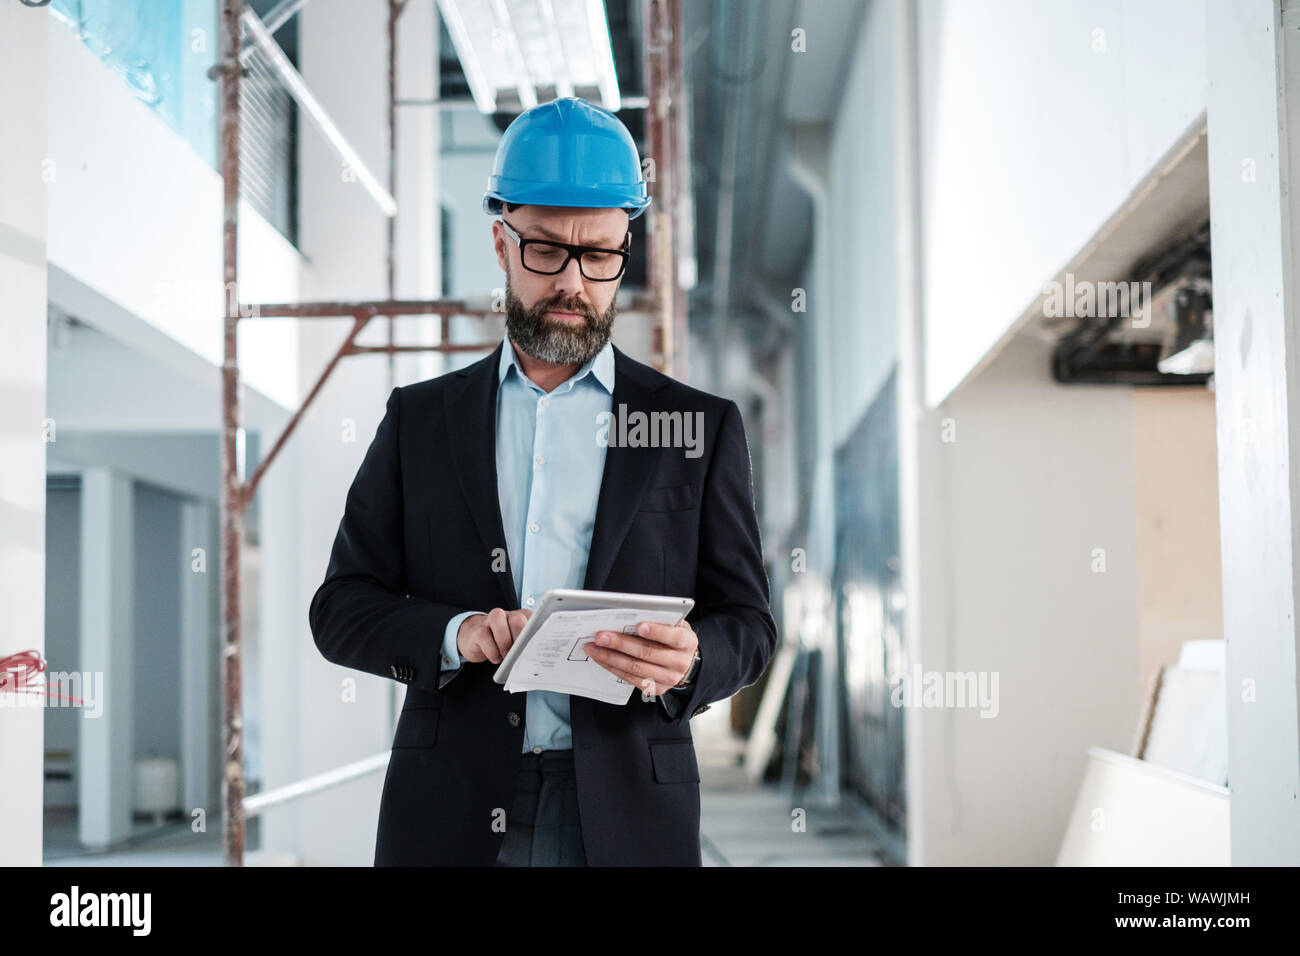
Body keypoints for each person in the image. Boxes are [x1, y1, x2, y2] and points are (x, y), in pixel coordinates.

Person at [309, 96, 777, 866]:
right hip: (450, 811)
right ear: (500, 243)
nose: (573, 282)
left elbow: (751, 627)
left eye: (599, 255)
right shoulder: (421, 422)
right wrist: (457, 635)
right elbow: (340, 608)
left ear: (624, 247)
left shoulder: (698, 427)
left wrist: (690, 658)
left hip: (628, 812)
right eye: (546, 251)